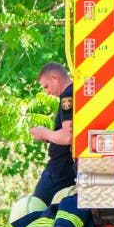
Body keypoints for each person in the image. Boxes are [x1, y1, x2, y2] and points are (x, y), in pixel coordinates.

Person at [30, 62, 76, 207]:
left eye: (46, 86)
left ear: (55, 77)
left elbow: (68, 136)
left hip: (59, 170)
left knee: (35, 207)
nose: (47, 92)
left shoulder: (67, 96)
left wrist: (44, 132)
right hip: (68, 167)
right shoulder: (74, 92)